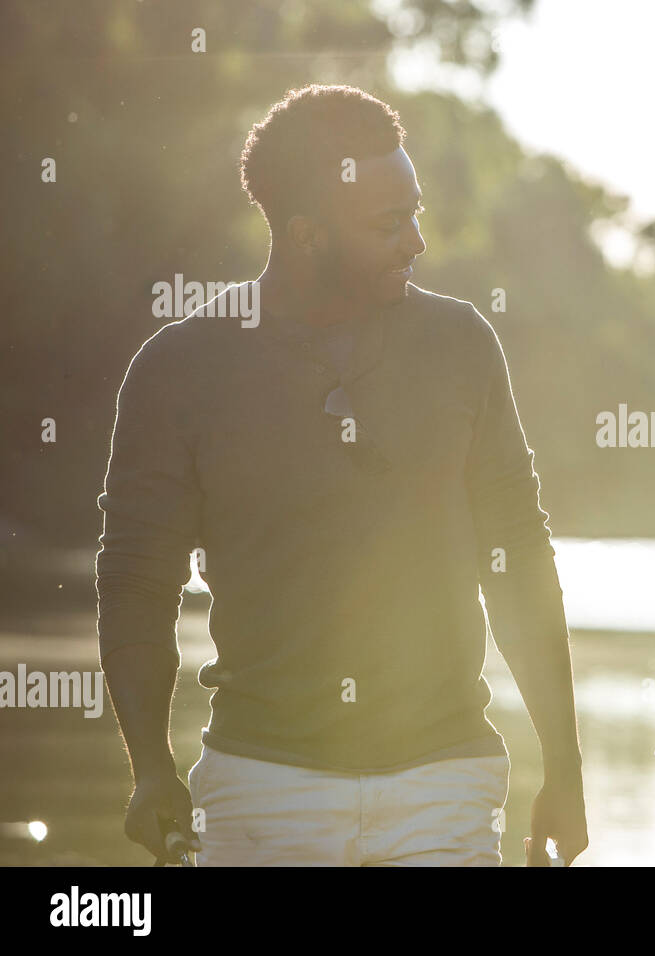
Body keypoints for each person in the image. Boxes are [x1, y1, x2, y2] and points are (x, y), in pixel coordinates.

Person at [96, 84, 587, 866]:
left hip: (444, 785)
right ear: (306, 236)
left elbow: (520, 556)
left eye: (416, 212)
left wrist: (565, 767)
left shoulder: (461, 346)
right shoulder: (179, 371)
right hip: (261, 792)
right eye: (390, 225)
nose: (417, 241)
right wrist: (150, 769)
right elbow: (136, 585)